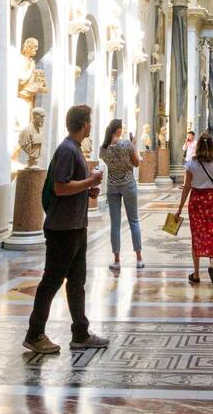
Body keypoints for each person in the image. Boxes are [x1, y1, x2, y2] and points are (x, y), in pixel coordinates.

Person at [24, 104, 107, 354]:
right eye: (90, 122)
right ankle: (34, 333)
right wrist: (90, 181)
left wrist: (88, 189)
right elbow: (61, 187)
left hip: (75, 225)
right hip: (62, 228)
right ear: (83, 124)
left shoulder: (75, 149)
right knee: (51, 281)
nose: (91, 125)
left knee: (77, 281)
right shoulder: (67, 150)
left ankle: (80, 332)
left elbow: (72, 184)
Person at [175, 131, 213, 286]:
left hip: (196, 200)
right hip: (211, 199)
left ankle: (196, 273)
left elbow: (187, 187)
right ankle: (212, 265)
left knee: (197, 235)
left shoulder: (191, 163)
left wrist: (179, 209)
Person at [99, 118, 143, 272]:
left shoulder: (103, 148)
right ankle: (138, 258)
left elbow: (109, 161)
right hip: (128, 183)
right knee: (134, 221)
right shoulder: (126, 144)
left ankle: (117, 260)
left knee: (115, 224)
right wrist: (134, 145)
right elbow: (137, 163)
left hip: (112, 186)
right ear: (118, 130)